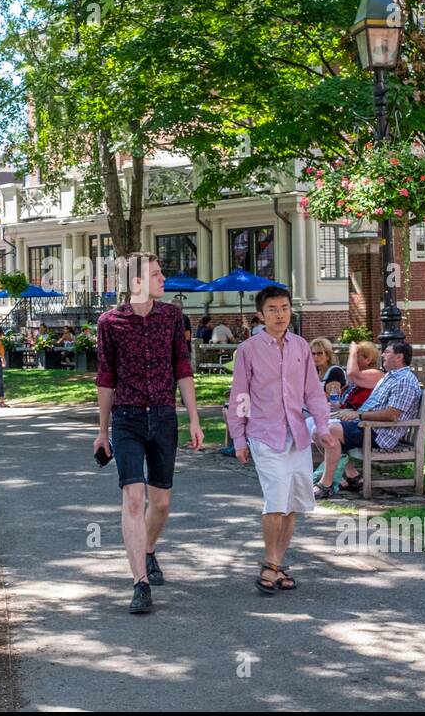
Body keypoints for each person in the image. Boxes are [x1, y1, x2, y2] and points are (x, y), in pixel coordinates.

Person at [93, 252, 204, 615]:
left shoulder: (172, 317)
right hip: (127, 419)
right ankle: (140, 582)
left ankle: (149, 548)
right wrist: (102, 431)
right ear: (136, 282)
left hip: (162, 416)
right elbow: (106, 378)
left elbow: (183, 368)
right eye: (156, 275)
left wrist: (194, 419)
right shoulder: (110, 323)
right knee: (134, 499)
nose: (163, 280)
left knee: (161, 503)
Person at [227, 286, 335, 595]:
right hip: (264, 434)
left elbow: (313, 392)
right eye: (273, 309)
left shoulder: (301, 347)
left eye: (285, 307)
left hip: (297, 435)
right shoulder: (249, 349)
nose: (280, 314)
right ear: (261, 314)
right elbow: (241, 396)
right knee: (275, 500)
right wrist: (239, 438)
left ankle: (277, 564)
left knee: (292, 505)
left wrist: (322, 427)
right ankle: (270, 565)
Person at [316, 342, 422, 494]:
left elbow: (392, 415)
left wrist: (358, 414)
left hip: (380, 433)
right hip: (366, 425)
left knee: (330, 431)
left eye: (387, 352)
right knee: (318, 430)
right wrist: (347, 412)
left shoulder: (404, 380)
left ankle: (325, 485)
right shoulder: (390, 377)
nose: (383, 355)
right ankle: (353, 477)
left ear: (399, 357)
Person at [341, 340, 385, 410]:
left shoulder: (377, 374)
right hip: (347, 416)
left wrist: (353, 352)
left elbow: (352, 374)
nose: (352, 358)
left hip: (365, 418)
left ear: (368, 360)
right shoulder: (356, 377)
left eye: (357, 354)